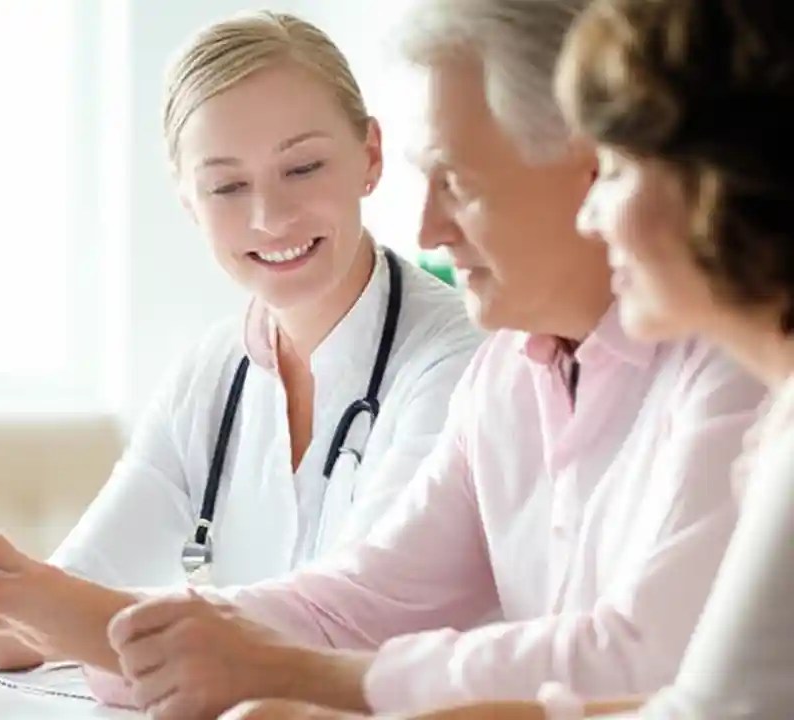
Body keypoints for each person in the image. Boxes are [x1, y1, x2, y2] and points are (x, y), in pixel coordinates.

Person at [0, 0, 769, 717]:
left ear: (589, 164)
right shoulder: (511, 378)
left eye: (458, 183)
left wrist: (307, 680)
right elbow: (347, 605)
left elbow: (654, 666)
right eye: (226, 185)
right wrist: (5, 586)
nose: (429, 228)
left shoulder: (732, 371)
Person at [0, 10, 482, 673]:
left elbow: (348, 626)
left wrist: (8, 594)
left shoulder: (457, 362)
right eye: (227, 186)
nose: (270, 216)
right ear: (188, 202)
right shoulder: (209, 380)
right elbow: (58, 622)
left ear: (370, 156)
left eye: (302, 169)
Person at [227, 0, 794, 717]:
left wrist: (328, 693)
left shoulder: (745, 386)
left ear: (713, 183)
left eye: (615, 170)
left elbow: (688, 694)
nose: (593, 212)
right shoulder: (506, 375)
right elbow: (681, 705)